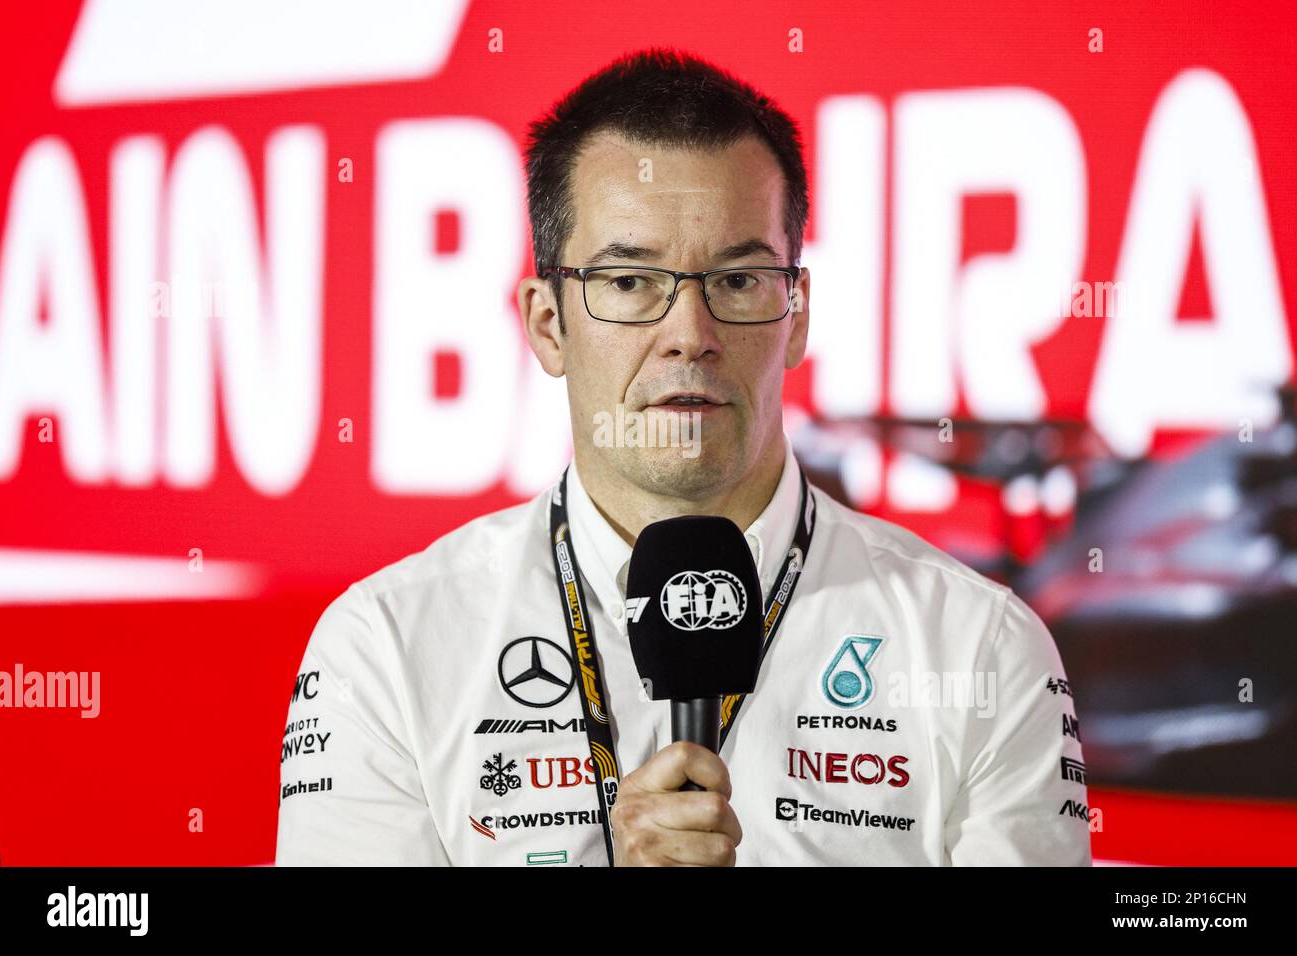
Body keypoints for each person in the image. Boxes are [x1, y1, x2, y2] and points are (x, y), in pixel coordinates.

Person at [275, 47, 1091, 866]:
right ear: (548, 324)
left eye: (738, 282)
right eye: (630, 283)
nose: (690, 337)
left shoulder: (978, 650)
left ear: (796, 316)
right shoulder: (384, 649)